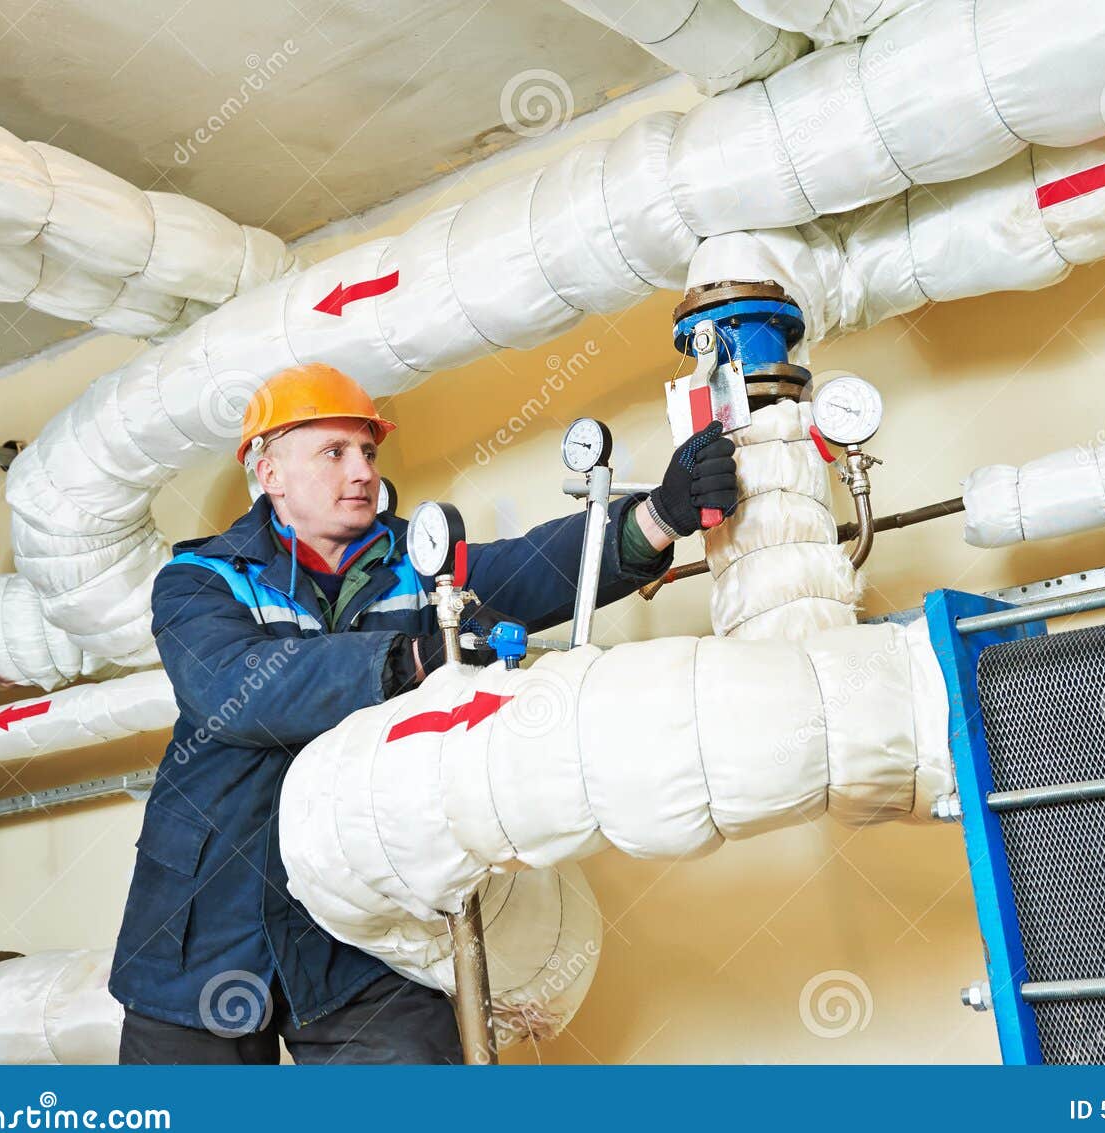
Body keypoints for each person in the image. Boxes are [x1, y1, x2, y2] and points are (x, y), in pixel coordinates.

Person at [110, 362, 737, 1063]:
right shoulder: (200, 579)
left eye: (367, 452)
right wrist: (403, 660)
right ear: (270, 472)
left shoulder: (418, 563)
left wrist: (656, 518)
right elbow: (232, 686)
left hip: (367, 919)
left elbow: (532, 567)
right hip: (206, 918)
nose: (361, 471)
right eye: (334, 451)